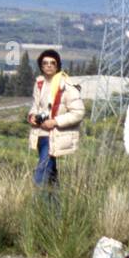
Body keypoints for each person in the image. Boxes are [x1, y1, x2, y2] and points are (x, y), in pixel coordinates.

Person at [27, 49, 85, 191]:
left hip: (54, 135)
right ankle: (56, 209)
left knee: (41, 174)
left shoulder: (66, 86)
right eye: (45, 63)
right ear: (41, 66)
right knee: (51, 176)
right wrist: (32, 116)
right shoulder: (39, 84)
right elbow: (35, 106)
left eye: (52, 63)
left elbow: (78, 112)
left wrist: (55, 121)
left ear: (58, 65)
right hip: (40, 135)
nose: (48, 66)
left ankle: (37, 206)